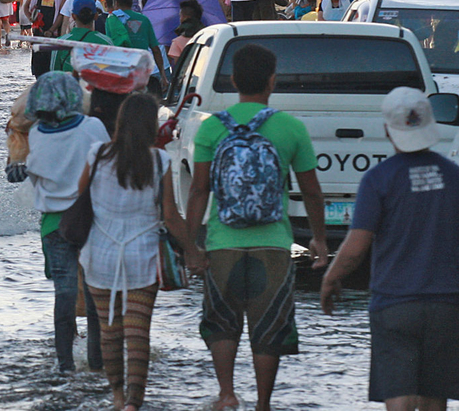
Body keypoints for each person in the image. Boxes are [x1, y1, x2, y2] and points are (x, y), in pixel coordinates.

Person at [185, 43, 328, 411]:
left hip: (222, 242)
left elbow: (199, 190)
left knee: (221, 322)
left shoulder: (211, 128)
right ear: (272, 81)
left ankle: (227, 394)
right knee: (269, 327)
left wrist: (190, 247)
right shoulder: (290, 128)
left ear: (233, 80)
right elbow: (311, 191)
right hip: (274, 244)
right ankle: (263, 403)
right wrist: (319, 239)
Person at [320, 87, 459, 411]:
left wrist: (330, 278)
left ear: (387, 129)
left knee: (398, 388)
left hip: (394, 303)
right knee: (435, 393)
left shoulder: (378, 179)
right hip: (447, 304)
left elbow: (356, 248)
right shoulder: (454, 177)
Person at [79, 93, 190, 411]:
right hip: (142, 258)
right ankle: (133, 404)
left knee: (109, 332)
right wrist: (194, 251)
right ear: (149, 125)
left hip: (100, 256)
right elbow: (171, 217)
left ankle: (116, 397)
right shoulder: (160, 161)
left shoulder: (97, 155)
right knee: (138, 333)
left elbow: (79, 198)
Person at [23, 72, 106, 375]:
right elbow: (106, 167)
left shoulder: (35, 134)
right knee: (95, 294)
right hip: (91, 221)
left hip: (54, 227)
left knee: (65, 294)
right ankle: (97, 362)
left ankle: (65, 365)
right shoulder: (93, 127)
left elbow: (36, 178)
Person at [106, 0, 167, 81]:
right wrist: (163, 76)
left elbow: (109, 47)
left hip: (120, 72)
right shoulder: (144, 19)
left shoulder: (112, 20)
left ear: (116, 3)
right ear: (131, 3)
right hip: (142, 72)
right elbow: (156, 50)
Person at [24, 0, 73, 76]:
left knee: (51, 66)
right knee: (38, 66)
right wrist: (30, 17)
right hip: (38, 31)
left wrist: (51, 30)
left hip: (53, 34)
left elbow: (62, 14)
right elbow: (26, 6)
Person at [52, 0, 112, 72]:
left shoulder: (60, 43)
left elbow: (54, 75)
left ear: (73, 16)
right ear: (96, 16)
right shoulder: (106, 43)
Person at [168, 0, 206, 67]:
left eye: (180, 16)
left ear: (185, 17)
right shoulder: (208, 36)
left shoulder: (177, 42)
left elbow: (178, 66)